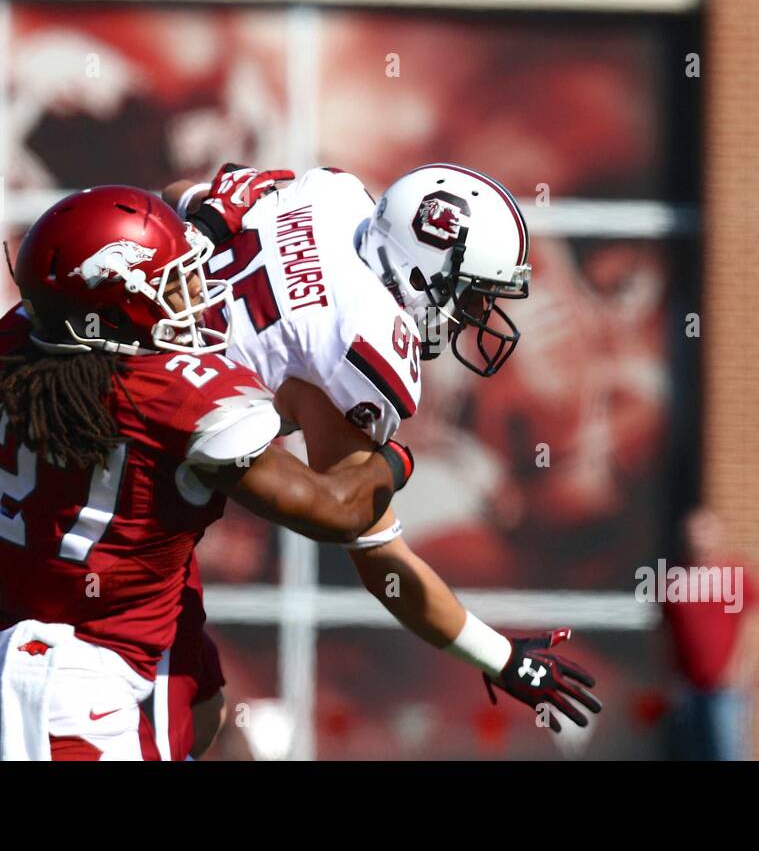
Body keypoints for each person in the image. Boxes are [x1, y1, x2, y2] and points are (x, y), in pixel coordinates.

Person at [0, 185, 415, 761]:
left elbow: (82, 274)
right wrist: (394, 458)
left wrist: (210, 225)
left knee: (204, 714)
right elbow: (336, 509)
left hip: (16, 661)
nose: (197, 292)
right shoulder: (172, 398)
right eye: (175, 284)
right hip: (65, 689)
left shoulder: (19, 341)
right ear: (116, 312)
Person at [152, 163, 602, 758]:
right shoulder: (358, 343)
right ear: (423, 270)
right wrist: (395, 467)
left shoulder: (331, 196)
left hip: (130, 401)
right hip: (140, 468)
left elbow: (179, 195)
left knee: (198, 708)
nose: (471, 315)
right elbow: (372, 550)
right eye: (467, 293)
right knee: (160, 711)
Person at [661, 508, 759, 761]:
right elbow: (664, 631)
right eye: (694, 532)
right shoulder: (675, 579)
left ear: (719, 534)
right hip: (689, 688)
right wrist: (668, 677)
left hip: (727, 688)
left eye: (706, 531)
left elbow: (757, 620)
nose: (699, 537)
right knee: (695, 753)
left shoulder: (734, 575)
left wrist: (743, 668)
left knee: (728, 753)